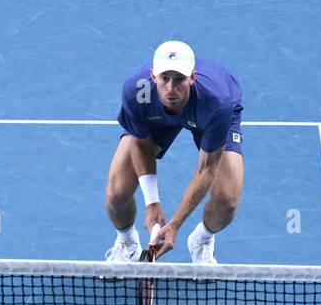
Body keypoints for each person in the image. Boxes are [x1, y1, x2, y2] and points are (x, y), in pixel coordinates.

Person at [103, 40, 244, 265]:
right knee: (116, 193)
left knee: (227, 202)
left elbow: (207, 168)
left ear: (192, 77)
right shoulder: (135, 91)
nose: (170, 88)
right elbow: (141, 144)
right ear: (152, 76)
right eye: (164, 79)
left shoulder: (218, 102)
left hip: (205, 117)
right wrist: (152, 204)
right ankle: (128, 244)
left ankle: (202, 240)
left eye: (179, 80)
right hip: (155, 117)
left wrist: (175, 225)